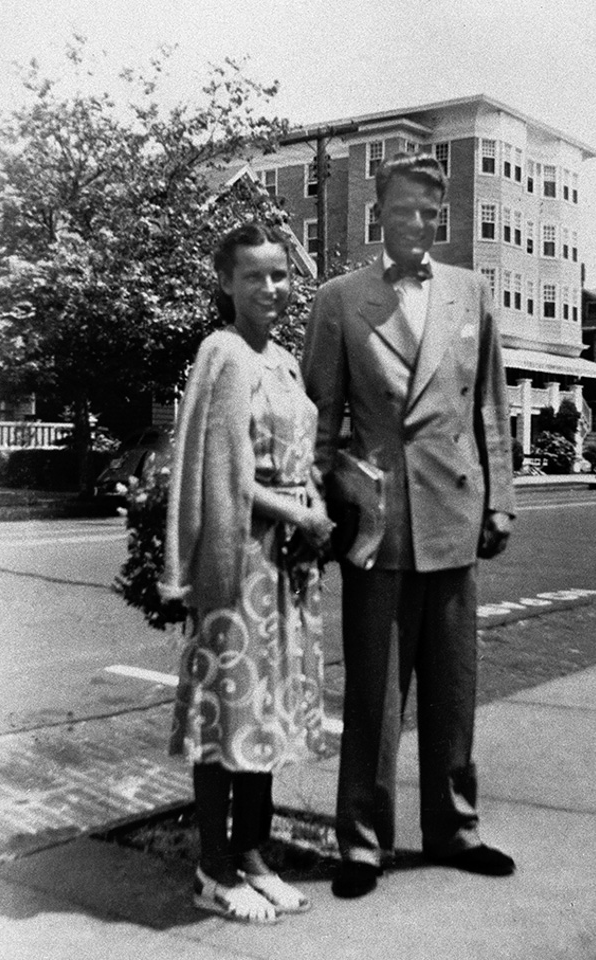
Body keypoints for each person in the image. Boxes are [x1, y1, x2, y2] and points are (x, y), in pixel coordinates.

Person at [301, 152, 517, 899]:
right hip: (378, 522)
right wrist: (322, 508)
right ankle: (362, 843)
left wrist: (501, 498)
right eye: (402, 213)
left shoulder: (472, 291)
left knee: (455, 689)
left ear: (442, 218)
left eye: (430, 214)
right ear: (378, 216)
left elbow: (489, 406)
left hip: (456, 513)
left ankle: (455, 829)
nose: (417, 225)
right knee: (374, 695)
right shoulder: (339, 299)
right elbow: (320, 421)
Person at [160, 222, 334, 923]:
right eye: (255, 276)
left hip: (288, 567)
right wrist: (299, 516)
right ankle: (214, 866)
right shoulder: (223, 353)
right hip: (241, 564)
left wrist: (314, 504)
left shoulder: (286, 361)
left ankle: (254, 854)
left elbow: (301, 460)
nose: (270, 287)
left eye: (280, 275)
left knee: (269, 715)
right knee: (228, 715)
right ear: (226, 282)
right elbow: (222, 473)